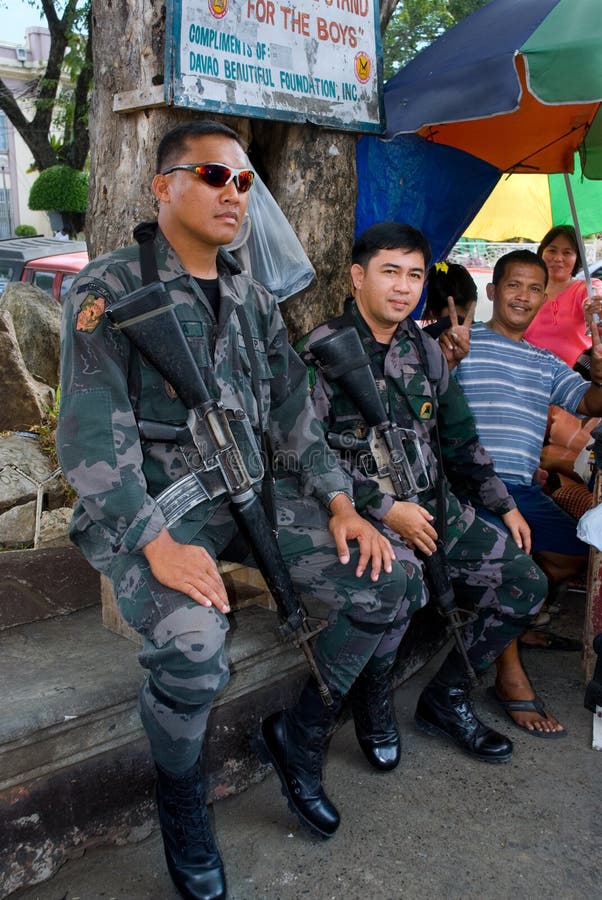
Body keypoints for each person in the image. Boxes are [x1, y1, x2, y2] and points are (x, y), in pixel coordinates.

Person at [56, 122, 419, 900]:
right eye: (215, 175)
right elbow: (91, 436)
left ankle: (303, 732)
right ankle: (182, 801)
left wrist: (338, 501)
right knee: (193, 647)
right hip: (157, 508)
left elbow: (294, 416)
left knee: (391, 579)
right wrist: (153, 543)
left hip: (252, 494)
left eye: (246, 182)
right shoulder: (111, 290)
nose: (234, 192)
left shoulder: (253, 298)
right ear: (164, 187)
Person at [297, 221, 555, 753]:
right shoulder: (323, 351)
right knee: (401, 585)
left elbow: (459, 437)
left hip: (434, 503)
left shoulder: (424, 347)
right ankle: (373, 700)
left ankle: (447, 697)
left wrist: (502, 506)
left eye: (414, 275)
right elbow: (305, 455)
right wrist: (383, 508)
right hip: (361, 512)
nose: (403, 286)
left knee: (525, 583)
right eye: (389, 272)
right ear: (357, 277)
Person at [454, 249, 602, 661]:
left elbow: (590, 403)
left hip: (524, 490)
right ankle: (508, 669)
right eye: (514, 285)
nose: (523, 296)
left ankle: (514, 623)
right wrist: (447, 358)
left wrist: (601, 372)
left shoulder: (546, 362)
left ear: (543, 298)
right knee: (512, 568)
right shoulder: (464, 345)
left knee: (577, 554)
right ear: (493, 290)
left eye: (534, 288)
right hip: (475, 488)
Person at [524, 225, 602, 366]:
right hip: (530, 377)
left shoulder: (587, 288)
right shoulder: (526, 292)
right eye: (552, 250)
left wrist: (595, 309)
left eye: (567, 253)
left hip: (576, 380)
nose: (558, 258)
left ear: (578, 257)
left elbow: (596, 301)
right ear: (541, 253)